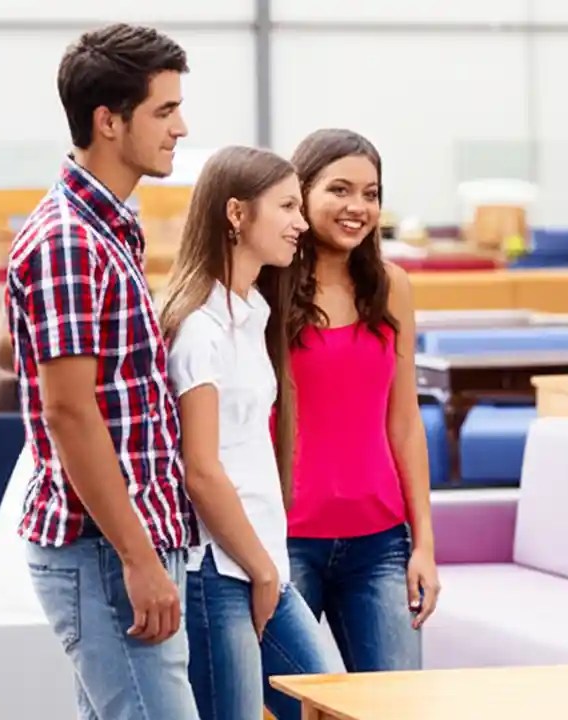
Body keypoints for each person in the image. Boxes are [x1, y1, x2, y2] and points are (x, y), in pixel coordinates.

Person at [5, 23, 200, 718]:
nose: (181, 128)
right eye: (164, 111)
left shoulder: (110, 229)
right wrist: (138, 558)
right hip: (106, 552)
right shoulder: (68, 240)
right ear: (108, 121)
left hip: (127, 544)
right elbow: (69, 412)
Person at [159, 145, 341, 720]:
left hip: (261, 561)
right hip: (218, 570)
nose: (301, 223)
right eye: (287, 206)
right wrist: (261, 568)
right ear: (236, 213)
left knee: (333, 705)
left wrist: (267, 567)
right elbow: (201, 470)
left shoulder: (253, 314)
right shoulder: (199, 329)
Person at [258, 128, 441, 672]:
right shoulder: (265, 286)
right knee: (293, 703)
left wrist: (424, 545)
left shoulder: (391, 286)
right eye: (339, 190)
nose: (357, 206)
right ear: (301, 193)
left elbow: (404, 422)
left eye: (370, 193)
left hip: (380, 543)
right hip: (284, 540)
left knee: (395, 707)